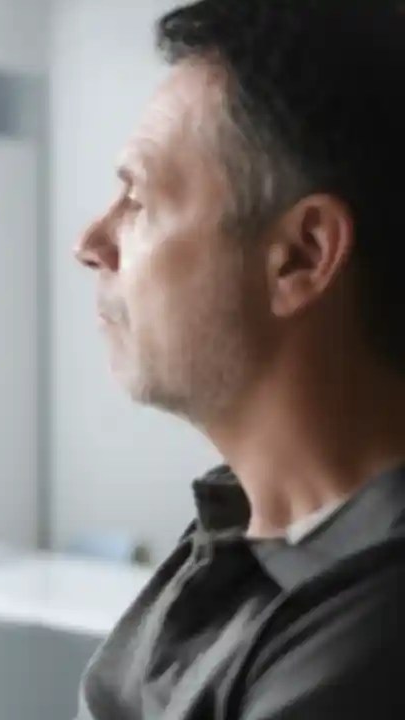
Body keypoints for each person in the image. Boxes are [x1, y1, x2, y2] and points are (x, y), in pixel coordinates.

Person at [73, 1, 405, 717]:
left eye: (137, 197)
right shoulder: (237, 520)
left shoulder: (374, 638)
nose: (92, 242)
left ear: (301, 256)